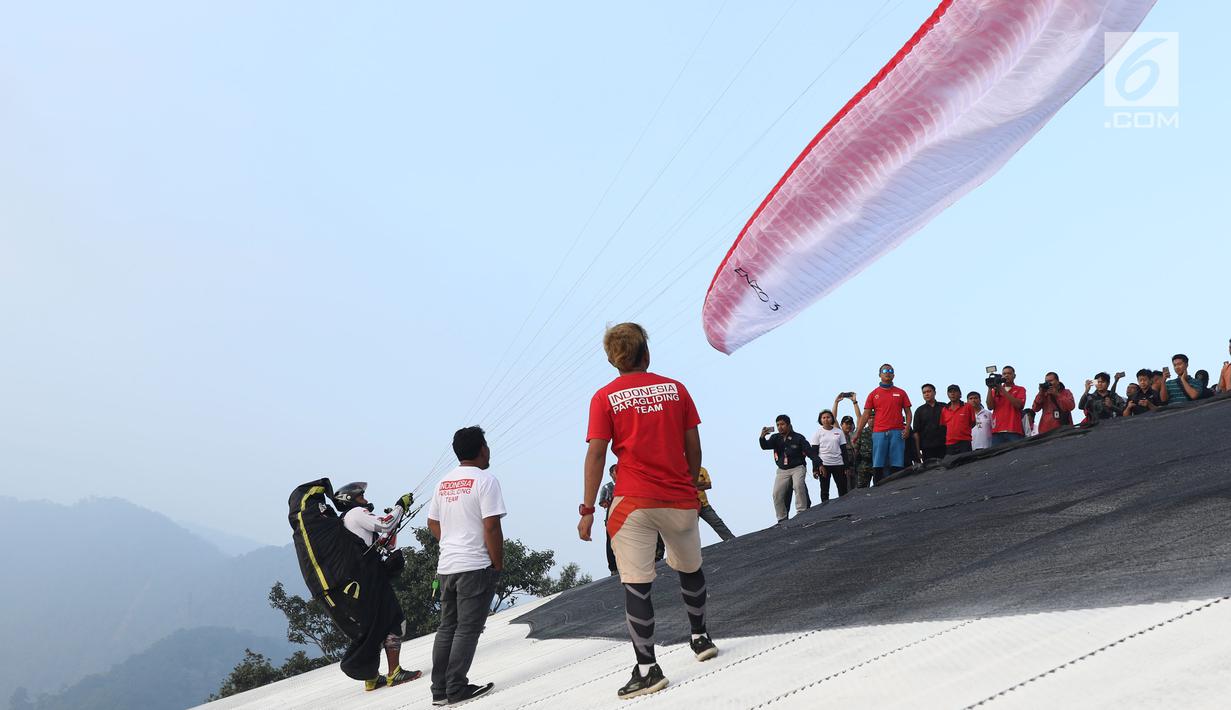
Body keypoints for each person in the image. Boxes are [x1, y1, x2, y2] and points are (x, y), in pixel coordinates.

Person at [578, 323, 717, 700]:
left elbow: (596, 453)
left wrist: (588, 508)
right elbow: (694, 444)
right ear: (646, 354)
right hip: (679, 499)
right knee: (690, 568)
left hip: (634, 503)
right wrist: (687, 482)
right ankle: (701, 637)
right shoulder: (676, 389)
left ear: (613, 360)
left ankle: (647, 669)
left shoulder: (604, 397)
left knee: (636, 584)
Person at [426, 426, 505, 705]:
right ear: (482, 449)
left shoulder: (443, 483)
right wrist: (497, 563)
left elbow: (432, 523)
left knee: (447, 627)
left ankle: (440, 691)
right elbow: (492, 526)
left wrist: (450, 541)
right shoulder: (485, 480)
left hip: (447, 565)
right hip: (475, 566)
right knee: (467, 629)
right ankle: (456, 688)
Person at [331, 482, 422, 692]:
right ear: (351, 500)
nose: (364, 499)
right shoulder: (356, 513)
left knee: (374, 625)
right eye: (361, 496)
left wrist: (395, 521)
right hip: (372, 578)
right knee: (394, 619)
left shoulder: (345, 521)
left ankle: (371, 677)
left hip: (359, 582)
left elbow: (386, 543)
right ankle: (394, 672)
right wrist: (400, 507)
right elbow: (384, 524)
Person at [855, 364, 912, 485]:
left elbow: (908, 412)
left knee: (897, 460)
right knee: (878, 460)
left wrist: (907, 428)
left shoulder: (901, 392)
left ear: (894, 375)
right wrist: (858, 432)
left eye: (891, 371)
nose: (888, 373)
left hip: (897, 431)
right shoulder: (873, 394)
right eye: (885, 370)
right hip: (879, 432)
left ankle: (897, 484)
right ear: (880, 374)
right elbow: (865, 415)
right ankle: (878, 485)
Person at [759, 415, 813, 522]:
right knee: (776, 493)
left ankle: (801, 512)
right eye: (778, 425)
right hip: (782, 470)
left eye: (782, 424)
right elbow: (765, 446)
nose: (780, 427)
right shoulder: (775, 437)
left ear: (789, 425)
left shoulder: (798, 437)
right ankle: (782, 518)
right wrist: (762, 437)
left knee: (798, 486)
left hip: (797, 467)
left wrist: (818, 464)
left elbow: (809, 451)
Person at [809, 409, 849, 501]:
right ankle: (824, 511)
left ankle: (845, 508)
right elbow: (814, 452)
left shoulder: (839, 432)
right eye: (823, 418)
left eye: (828, 417)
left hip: (838, 464)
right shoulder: (818, 433)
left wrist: (846, 467)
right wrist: (815, 468)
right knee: (824, 490)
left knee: (842, 489)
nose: (826, 419)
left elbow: (844, 450)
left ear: (832, 419)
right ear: (820, 420)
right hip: (824, 465)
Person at [987, 366, 1027, 446]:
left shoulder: (1020, 389)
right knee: (997, 458)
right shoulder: (995, 390)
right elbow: (990, 406)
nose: (1006, 375)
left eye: (1009, 373)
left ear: (1014, 376)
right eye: (1004, 374)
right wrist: (989, 388)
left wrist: (1002, 389)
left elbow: (1019, 405)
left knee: (1016, 456)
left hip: (1014, 430)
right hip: (997, 431)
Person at [695, 467, 735, 540]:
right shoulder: (682, 471)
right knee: (690, 529)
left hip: (704, 504)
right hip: (690, 506)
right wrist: (701, 484)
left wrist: (693, 486)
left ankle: (732, 540)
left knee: (717, 522)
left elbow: (709, 485)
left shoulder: (702, 470)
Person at [912, 384, 947, 462]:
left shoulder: (944, 407)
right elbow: (916, 432)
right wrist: (917, 451)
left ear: (934, 392)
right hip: (927, 448)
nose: (926, 394)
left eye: (929, 391)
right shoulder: (919, 411)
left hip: (944, 446)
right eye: (924, 392)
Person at [940, 385, 974, 455]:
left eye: (955, 391)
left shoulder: (967, 406)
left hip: (964, 442)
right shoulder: (944, 409)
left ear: (960, 394)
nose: (952, 394)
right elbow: (944, 426)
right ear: (947, 394)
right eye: (950, 392)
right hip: (950, 444)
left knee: (967, 464)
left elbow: (973, 422)